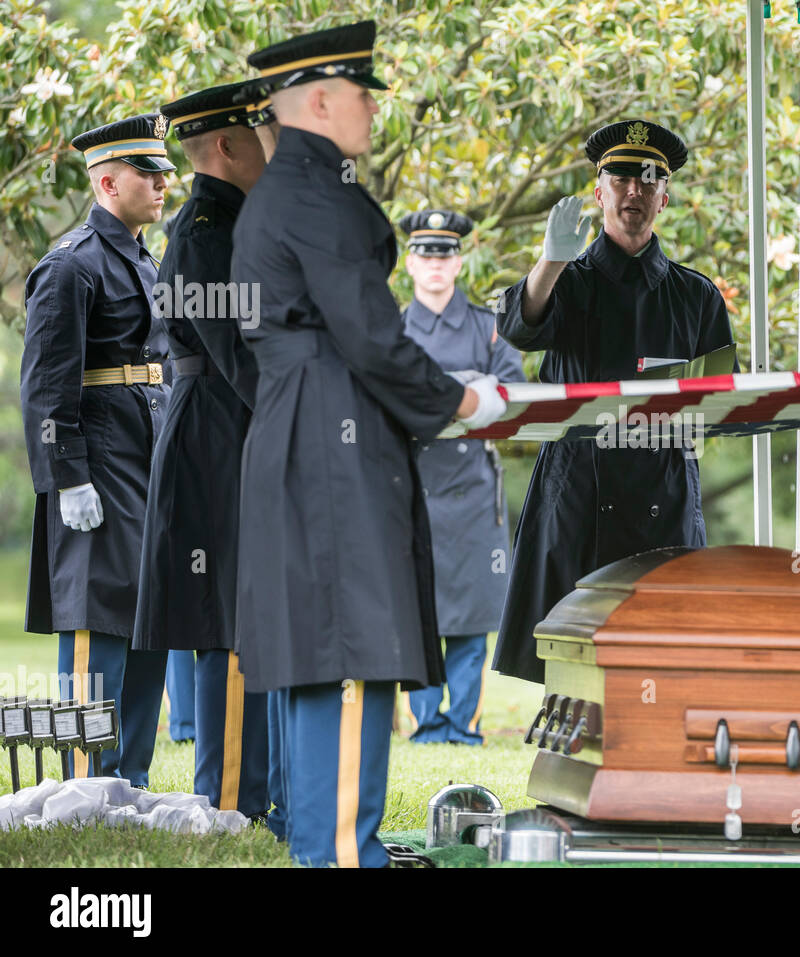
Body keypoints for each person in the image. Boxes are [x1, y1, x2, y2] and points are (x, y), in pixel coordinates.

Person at [231, 20, 505, 868]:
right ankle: (345, 856)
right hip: (331, 447)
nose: (371, 111)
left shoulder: (288, 189)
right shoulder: (314, 194)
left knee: (325, 661)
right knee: (351, 657)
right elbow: (373, 337)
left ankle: (327, 848)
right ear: (318, 101)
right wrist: (462, 397)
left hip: (302, 430)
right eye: (360, 94)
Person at [493, 119, 736, 684]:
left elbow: (722, 399)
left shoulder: (696, 295)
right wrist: (550, 260)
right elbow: (518, 327)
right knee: (571, 659)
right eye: (620, 178)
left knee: (663, 656)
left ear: (664, 196)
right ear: (598, 191)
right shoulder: (567, 280)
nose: (634, 190)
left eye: (648, 179)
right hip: (579, 491)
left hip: (663, 491)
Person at [20, 113, 175, 786]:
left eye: (166, 171)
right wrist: (67, 477)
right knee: (96, 619)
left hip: (149, 455)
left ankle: (130, 778)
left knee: (148, 618)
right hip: (98, 460)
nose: (164, 183)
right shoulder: (70, 264)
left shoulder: (145, 257)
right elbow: (47, 388)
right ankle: (87, 780)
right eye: (150, 173)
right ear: (108, 181)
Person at [133, 79, 270, 818]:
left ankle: (258, 790)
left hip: (234, 423)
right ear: (224, 145)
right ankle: (228, 796)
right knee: (228, 616)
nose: (268, 147)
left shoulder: (238, 222)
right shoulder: (205, 232)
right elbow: (238, 355)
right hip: (215, 430)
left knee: (250, 611)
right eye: (256, 133)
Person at [397, 209, 524, 744]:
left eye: (444, 254)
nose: (435, 264)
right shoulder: (392, 327)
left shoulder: (487, 324)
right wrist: (465, 387)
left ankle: (464, 725)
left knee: (473, 613)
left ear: (459, 261)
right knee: (417, 607)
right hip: (410, 484)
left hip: (472, 487)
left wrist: (444, 390)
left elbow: (514, 391)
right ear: (409, 262)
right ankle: (427, 725)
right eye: (425, 253)